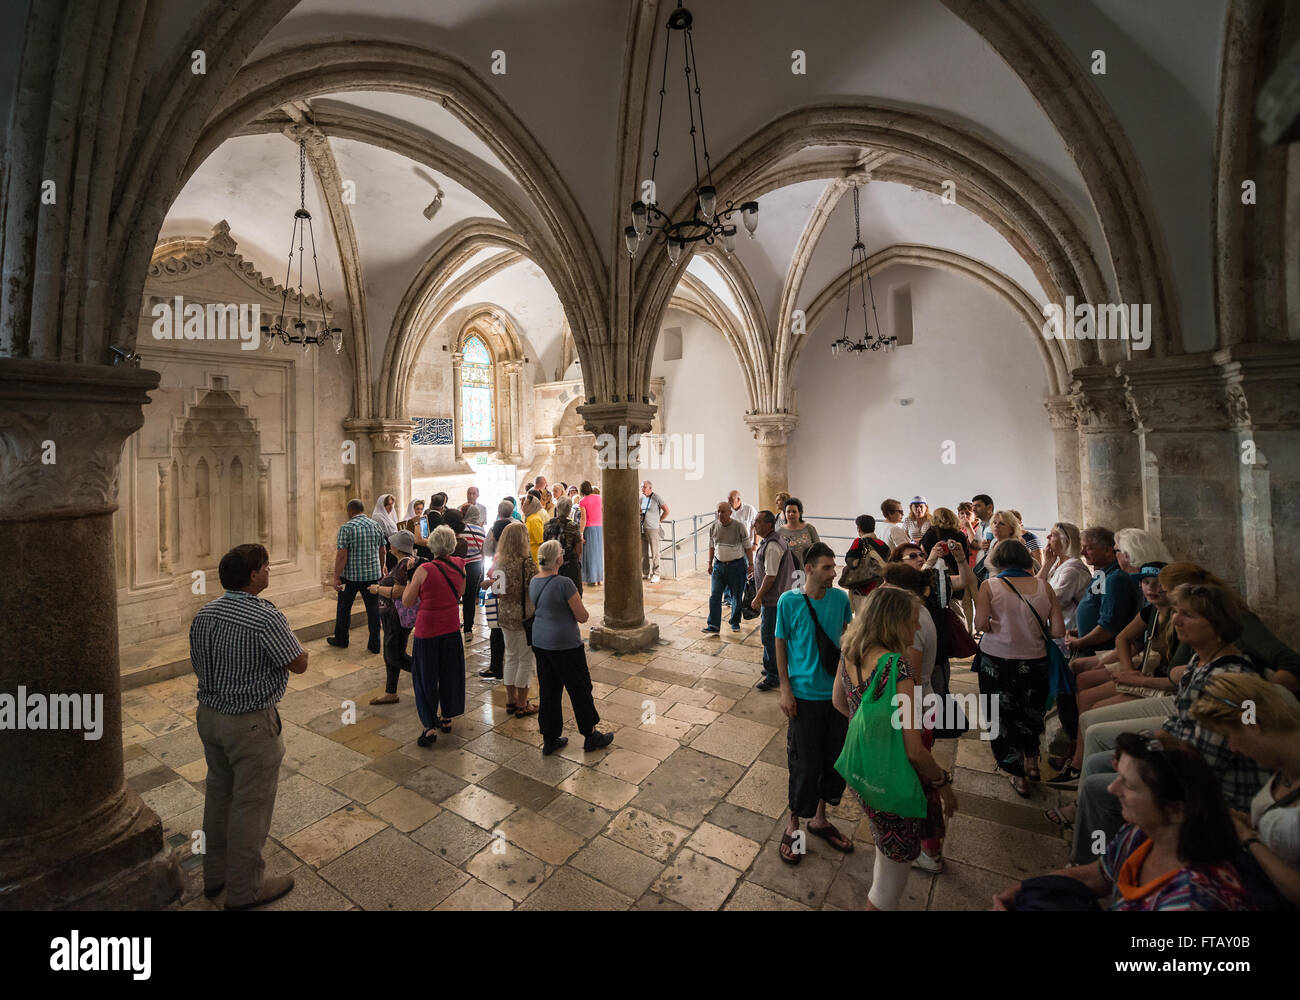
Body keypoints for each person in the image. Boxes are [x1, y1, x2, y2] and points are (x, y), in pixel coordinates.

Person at [1061, 582, 1272, 864]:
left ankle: (1095, 866)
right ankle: (1114, 850)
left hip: (1216, 792)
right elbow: (1178, 726)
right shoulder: (1201, 661)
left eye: (1188, 615)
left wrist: (1142, 762)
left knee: (1099, 788)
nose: (1176, 620)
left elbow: (1200, 760)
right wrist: (1141, 749)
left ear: (1217, 625)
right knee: (1098, 763)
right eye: (1177, 612)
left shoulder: (1226, 679)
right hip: (1190, 760)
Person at [994, 731, 1253, 912]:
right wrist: (1022, 890)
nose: (1112, 789)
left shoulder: (1192, 900)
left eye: (1128, 785)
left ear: (1175, 810)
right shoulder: (1142, 834)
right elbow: (1095, 877)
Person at [190, 543, 306, 910]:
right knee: (250, 807)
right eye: (266, 566)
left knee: (218, 796)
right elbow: (298, 662)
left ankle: (215, 877)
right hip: (249, 725)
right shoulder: (263, 616)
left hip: (209, 716)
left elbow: (198, 660)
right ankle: (245, 891)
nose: (270, 570)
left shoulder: (204, 614)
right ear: (253, 575)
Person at [833, 586, 957, 908]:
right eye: (913, 621)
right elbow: (914, 750)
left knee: (884, 853)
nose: (917, 629)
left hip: (862, 776)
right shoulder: (897, 667)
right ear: (893, 622)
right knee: (888, 889)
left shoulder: (850, 650)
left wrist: (873, 732)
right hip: (891, 782)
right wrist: (944, 785)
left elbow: (839, 702)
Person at [774, 542, 855, 864]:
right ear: (808, 569)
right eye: (827, 567)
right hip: (804, 695)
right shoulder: (788, 602)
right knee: (803, 763)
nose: (833, 573)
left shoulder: (840, 600)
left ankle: (819, 819)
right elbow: (779, 643)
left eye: (833, 567)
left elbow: (848, 639)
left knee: (832, 759)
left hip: (836, 696)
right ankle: (794, 823)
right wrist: (784, 688)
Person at [1191, 672, 1300, 907]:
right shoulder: (1282, 767)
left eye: (1229, 736)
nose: (1232, 747)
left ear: (1253, 724)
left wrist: (1249, 839)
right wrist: (1249, 822)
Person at [974, 539, 1065, 797]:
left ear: (997, 561)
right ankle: (1032, 763)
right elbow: (1058, 630)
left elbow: (980, 623)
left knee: (1002, 716)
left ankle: (1018, 776)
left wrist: (997, 626)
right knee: (1031, 713)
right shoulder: (1044, 586)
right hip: (1035, 661)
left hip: (997, 662)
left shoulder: (989, 586)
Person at [530, 539, 614, 755]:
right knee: (580, 689)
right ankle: (590, 734)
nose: (563, 555)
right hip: (565, 645)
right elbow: (583, 616)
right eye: (561, 552)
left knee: (549, 689)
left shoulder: (534, 581)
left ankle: (550, 738)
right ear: (557, 558)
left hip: (540, 642)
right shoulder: (564, 583)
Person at [402, 526, 466, 746]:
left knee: (425, 677)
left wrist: (410, 577)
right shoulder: (460, 566)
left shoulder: (424, 569)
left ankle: (429, 726)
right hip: (450, 627)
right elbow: (460, 593)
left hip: (427, 630)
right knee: (450, 673)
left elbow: (407, 601)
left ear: (432, 545)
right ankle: (447, 718)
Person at [487, 521, 538, 716]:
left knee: (510, 657)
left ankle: (510, 700)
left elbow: (497, 593)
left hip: (505, 615)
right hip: (524, 617)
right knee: (525, 659)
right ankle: (522, 703)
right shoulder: (528, 563)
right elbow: (534, 590)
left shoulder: (499, 562)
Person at [1067, 526, 1142, 659]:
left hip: (1102, 650)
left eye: (1088, 548)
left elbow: (1109, 627)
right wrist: (1079, 631)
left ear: (1107, 550)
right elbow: (1094, 605)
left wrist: (1080, 642)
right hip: (1090, 645)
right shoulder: (1101, 573)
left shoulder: (1115, 579)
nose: (1082, 552)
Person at [329, 498, 385, 654]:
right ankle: (374, 645)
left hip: (351, 577)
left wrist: (336, 577)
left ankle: (341, 640)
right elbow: (382, 551)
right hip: (372, 576)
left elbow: (342, 555)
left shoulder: (347, 528)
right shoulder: (376, 525)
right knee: (373, 611)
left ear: (350, 511)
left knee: (344, 608)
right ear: (362, 510)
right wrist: (381, 569)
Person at [367, 530, 417, 705]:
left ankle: (427, 675)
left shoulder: (403, 565)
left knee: (394, 656)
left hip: (395, 618)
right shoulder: (405, 562)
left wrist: (377, 589)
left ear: (400, 547)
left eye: (393, 542)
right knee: (392, 653)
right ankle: (391, 692)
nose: (390, 545)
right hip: (393, 617)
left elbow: (398, 592)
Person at [750, 509, 797, 692]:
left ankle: (774, 675)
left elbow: (771, 576)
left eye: (758, 522)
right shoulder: (770, 541)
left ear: (769, 524)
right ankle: (771, 667)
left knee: (769, 636)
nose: (755, 525)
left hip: (774, 600)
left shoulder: (773, 545)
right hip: (776, 599)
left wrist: (758, 597)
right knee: (770, 635)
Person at [479, 500, 518, 680]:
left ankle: (497, 667)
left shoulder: (495, 530)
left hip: (502, 594)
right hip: (516, 597)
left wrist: (490, 583)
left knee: (497, 629)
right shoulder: (518, 526)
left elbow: (486, 551)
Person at [704, 500, 754, 634]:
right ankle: (713, 625)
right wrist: (709, 563)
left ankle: (735, 622)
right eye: (718, 511)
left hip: (736, 566)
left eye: (723, 511)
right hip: (718, 566)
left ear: (730, 513)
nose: (720, 514)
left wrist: (751, 564)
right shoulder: (714, 527)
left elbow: (748, 547)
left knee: (736, 596)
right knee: (715, 596)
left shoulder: (739, 527)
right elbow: (711, 546)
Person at [1036, 521, 1092, 631]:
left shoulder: (1072, 570)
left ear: (1065, 540)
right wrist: (1046, 564)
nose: (1047, 537)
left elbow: (1055, 602)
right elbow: (1034, 586)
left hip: (1068, 630)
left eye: (1052, 535)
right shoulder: (1056, 564)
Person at [844, 514, 890, 613]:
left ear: (859, 529)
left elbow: (851, 562)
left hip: (861, 591)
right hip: (879, 590)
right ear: (873, 527)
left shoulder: (858, 542)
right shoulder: (883, 544)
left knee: (862, 622)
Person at [544, 496, 585, 595]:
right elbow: (578, 547)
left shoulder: (547, 524)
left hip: (552, 562)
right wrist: (577, 560)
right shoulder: (573, 525)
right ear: (570, 510)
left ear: (557, 508)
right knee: (574, 591)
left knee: (555, 592)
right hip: (569, 563)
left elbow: (545, 543)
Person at [458, 505, 487, 636]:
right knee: (470, 598)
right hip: (475, 567)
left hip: (460, 566)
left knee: (456, 595)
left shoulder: (460, 530)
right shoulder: (481, 530)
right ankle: (468, 629)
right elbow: (483, 552)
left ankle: (455, 623)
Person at [777, 497, 820, 568]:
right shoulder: (779, 532)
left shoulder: (809, 528)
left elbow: (819, 550)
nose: (791, 514)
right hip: (787, 571)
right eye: (788, 512)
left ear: (800, 513)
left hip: (808, 571)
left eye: (794, 511)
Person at [640, 480, 668, 582]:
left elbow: (666, 510)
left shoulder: (656, 498)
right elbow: (640, 510)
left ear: (650, 488)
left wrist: (659, 520)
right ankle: (645, 572)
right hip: (643, 528)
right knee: (643, 553)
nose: (642, 489)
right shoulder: (641, 499)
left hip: (653, 529)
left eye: (644, 487)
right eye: (642, 487)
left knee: (655, 552)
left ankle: (656, 573)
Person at [578, 480, 604, 586]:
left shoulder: (582, 501)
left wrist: (581, 533)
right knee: (598, 554)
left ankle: (592, 579)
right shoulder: (599, 498)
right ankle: (599, 578)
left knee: (590, 554)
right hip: (600, 527)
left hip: (589, 528)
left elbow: (583, 519)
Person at [970, 493, 997, 579]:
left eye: (978, 506)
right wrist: (979, 545)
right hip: (982, 569)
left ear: (989, 507)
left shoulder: (998, 524)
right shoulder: (980, 524)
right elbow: (973, 544)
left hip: (995, 570)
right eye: (973, 506)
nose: (973, 509)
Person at [372, 493, 400, 570]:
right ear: (382, 505)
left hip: (394, 548)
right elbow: (382, 537)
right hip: (386, 549)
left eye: (392, 504)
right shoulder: (377, 517)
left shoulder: (390, 515)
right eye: (388, 504)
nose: (391, 507)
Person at [522, 493, 545, 564]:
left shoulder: (534, 519)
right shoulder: (528, 517)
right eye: (523, 504)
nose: (523, 506)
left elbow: (541, 541)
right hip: (530, 554)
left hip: (535, 556)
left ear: (532, 505)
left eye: (526, 504)